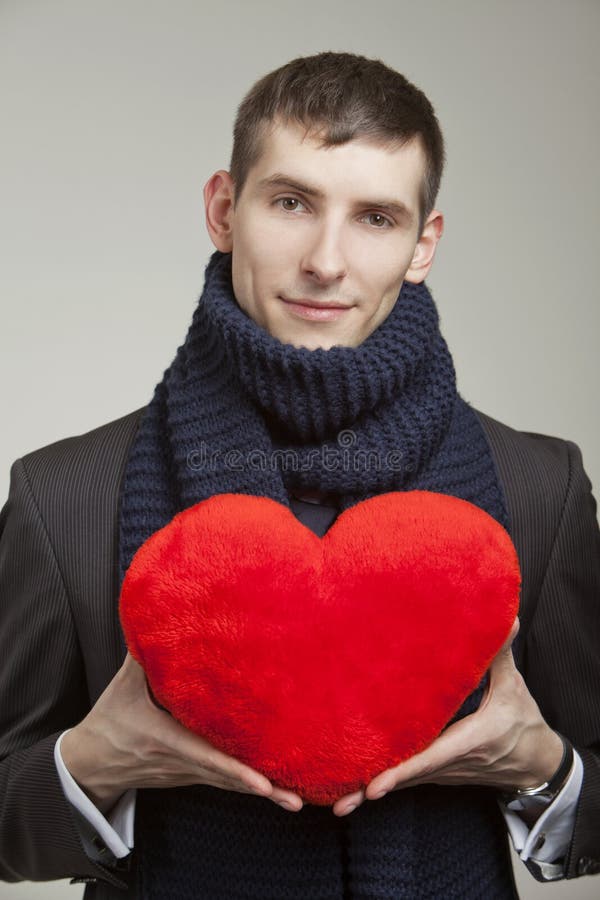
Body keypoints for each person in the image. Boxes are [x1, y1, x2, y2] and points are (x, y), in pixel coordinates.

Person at [0, 51, 599, 900]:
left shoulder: (541, 488)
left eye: (377, 218)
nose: (327, 260)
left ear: (423, 244)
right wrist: (90, 765)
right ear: (222, 209)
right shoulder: (64, 497)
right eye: (291, 202)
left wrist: (543, 766)